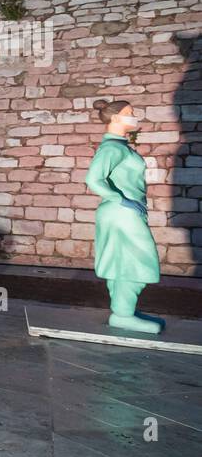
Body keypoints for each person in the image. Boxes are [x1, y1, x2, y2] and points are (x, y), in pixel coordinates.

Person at [83, 99, 162, 334]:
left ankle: (122, 312)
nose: (134, 116)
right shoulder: (112, 149)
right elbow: (93, 180)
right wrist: (122, 200)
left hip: (122, 212)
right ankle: (124, 314)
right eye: (130, 113)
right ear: (115, 118)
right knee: (139, 262)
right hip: (122, 213)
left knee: (121, 262)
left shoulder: (119, 147)